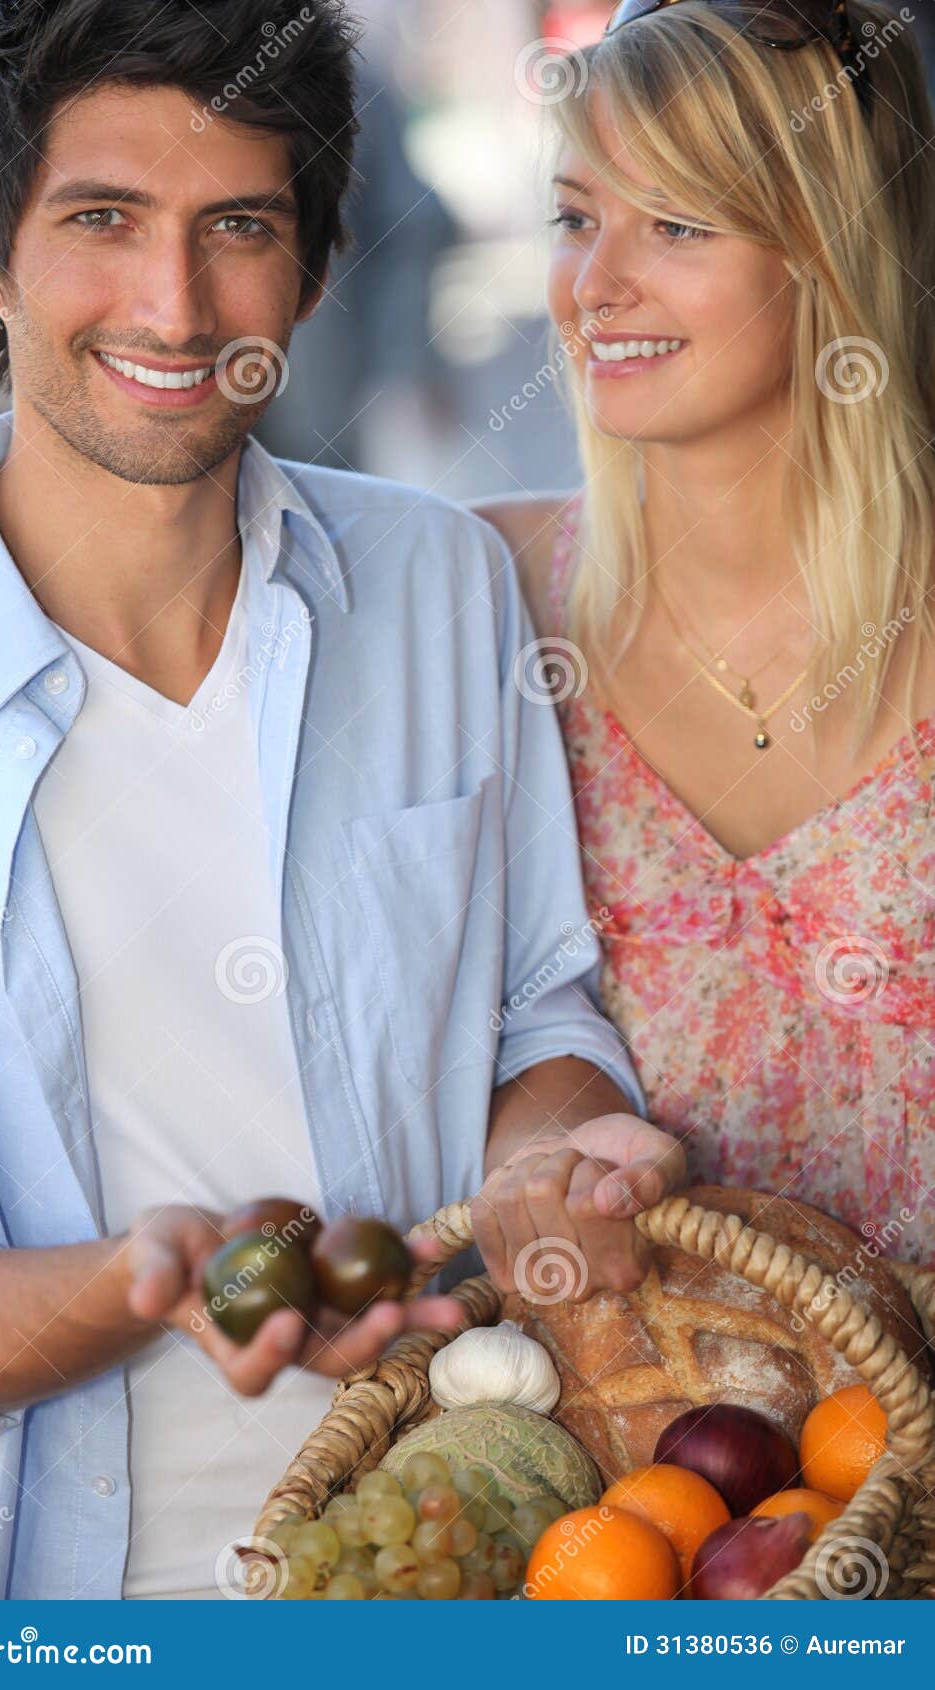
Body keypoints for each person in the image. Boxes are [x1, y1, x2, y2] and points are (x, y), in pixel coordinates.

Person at [0, 0, 684, 1601]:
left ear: (309, 267)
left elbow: (536, 1006)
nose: (173, 307)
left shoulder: (436, 583)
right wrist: (135, 1285)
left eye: (236, 227)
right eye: (100, 220)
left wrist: (543, 1158)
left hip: (458, 1555)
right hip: (51, 1603)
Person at [477, 0, 935, 1266]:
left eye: (675, 222)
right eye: (576, 219)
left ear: (826, 250)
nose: (596, 285)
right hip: (641, 1442)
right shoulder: (491, 590)